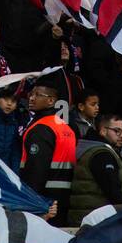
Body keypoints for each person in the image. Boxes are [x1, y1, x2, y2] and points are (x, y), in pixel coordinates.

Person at [19, 82, 76, 224]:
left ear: (51, 101)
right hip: (64, 197)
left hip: (44, 200)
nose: (31, 98)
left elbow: (36, 169)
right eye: (31, 94)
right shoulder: (65, 127)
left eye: (38, 95)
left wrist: (31, 201)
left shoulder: (41, 128)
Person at [67, 113, 122, 224]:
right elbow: (112, 189)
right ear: (103, 131)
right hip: (96, 220)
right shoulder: (101, 154)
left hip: (91, 217)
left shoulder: (92, 148)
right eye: (117, 131)